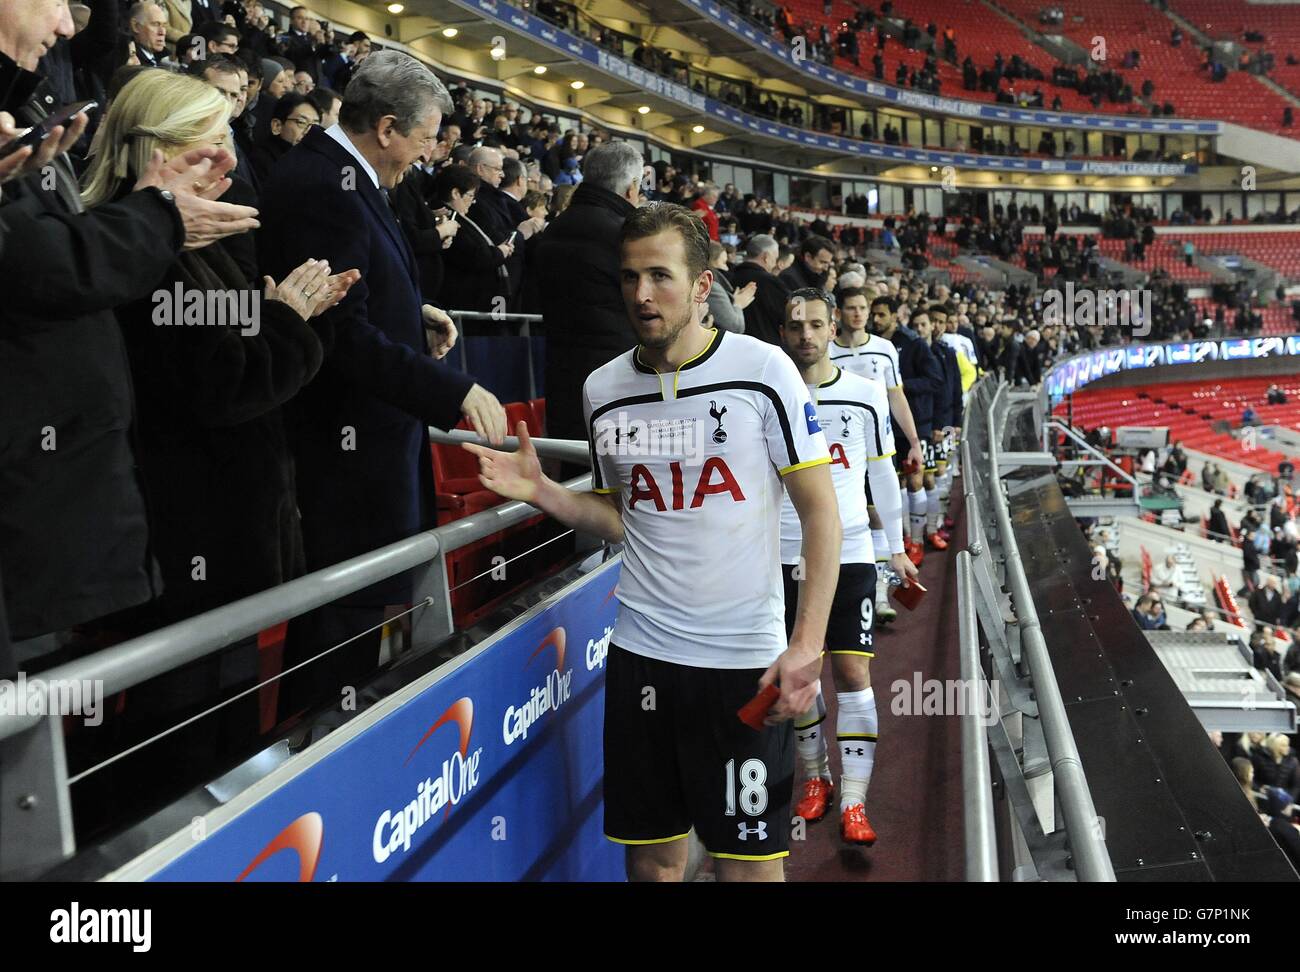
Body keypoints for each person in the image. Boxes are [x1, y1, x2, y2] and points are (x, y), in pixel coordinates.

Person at [465, 203, 841, 881]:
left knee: (748, 869)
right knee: (653, 866)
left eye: (660, 276)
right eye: (629, 277)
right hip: (643, 659)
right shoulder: (603, 389)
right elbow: (624, 516)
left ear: (702, 286)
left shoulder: (764, 372)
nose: (641, 294)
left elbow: (821, 514)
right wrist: (546, 494)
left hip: (742, 664)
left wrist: (808, 644)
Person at [0, 0, 258, 657]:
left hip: (144, 524)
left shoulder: (181, 230)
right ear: (160, 145)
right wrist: (288, 315)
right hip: (159, 519)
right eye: (212, 135)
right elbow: (225, 372)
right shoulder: (144, 233)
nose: (66, 25)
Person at [258, 50, 506, 719]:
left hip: (367, 454)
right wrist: (449, 391)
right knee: (341, 637)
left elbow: (360, 295)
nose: (427, 157)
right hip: (343, 463)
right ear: (389, 128)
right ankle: (317, 764)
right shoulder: (322, 184)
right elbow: (341, 335)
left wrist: (412, 313)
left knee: (366, 633)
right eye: (425, 141)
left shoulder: (347, 177)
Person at [776, 287, 916, 843]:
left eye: (815, 324)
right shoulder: (768, 394)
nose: (805, 334)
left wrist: (897, 546)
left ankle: (855, 800)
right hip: (786, 554)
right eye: (795, 325)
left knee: (853, 671)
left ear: (833, 328)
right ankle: (817, 779)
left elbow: (882, 471)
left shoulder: (864, 392)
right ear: (783, 335)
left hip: (854, 549)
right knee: (802, 671)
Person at [533, 140, 643, 447]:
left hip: (563, 380)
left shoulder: (552, 229)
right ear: (631, 188)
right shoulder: (626, 235)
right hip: (622, 382)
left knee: (575, 478)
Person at [728, 233, 790, 345]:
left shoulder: (729, 277)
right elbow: (790, 314)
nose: (775, 264)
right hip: (766, 347)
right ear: (766, 257)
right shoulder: (771, 282)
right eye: (775, 258)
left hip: (735, 345)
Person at [704, 239, 753, 333]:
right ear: (711, 263)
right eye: (724, 263)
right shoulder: (712, 288)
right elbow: (736, 327)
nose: (727, 268)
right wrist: (738, 304)